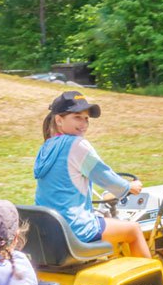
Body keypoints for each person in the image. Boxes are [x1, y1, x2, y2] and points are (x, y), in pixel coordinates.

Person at [34, 91, 151, 259]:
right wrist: (129, 187)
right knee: (133, 230)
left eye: (86, 118)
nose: (84, 124)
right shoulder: (77, 144)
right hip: (76, 228)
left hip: (49, 228)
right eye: (77, 117)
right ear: (59, 120)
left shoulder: (46, 147)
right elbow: (103, 175)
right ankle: (153, 284)